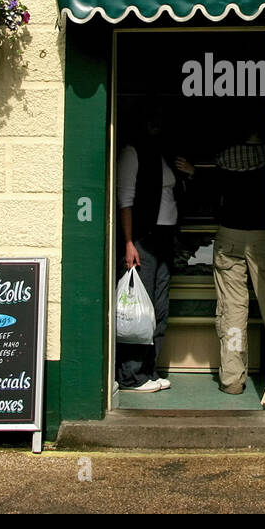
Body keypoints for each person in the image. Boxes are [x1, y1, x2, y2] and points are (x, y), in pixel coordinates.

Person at [116, 111, 193, 392]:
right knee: (138, 311)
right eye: (150, 120)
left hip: (165, 238)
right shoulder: (132, 152)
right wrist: (128, 242)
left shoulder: (166, 154)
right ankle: (130, 375)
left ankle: (149, 371)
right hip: (142, 239)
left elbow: (176, 196)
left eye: (159, 120)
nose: (155, 125)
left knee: (159, 307)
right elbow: (124, 199)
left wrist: (189, 174)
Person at [211, 113, 265, 399]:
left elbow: (214, 197)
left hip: (229, 235)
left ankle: (233, 380)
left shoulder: (225, 157)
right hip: (263, 236)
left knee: (233, 309)